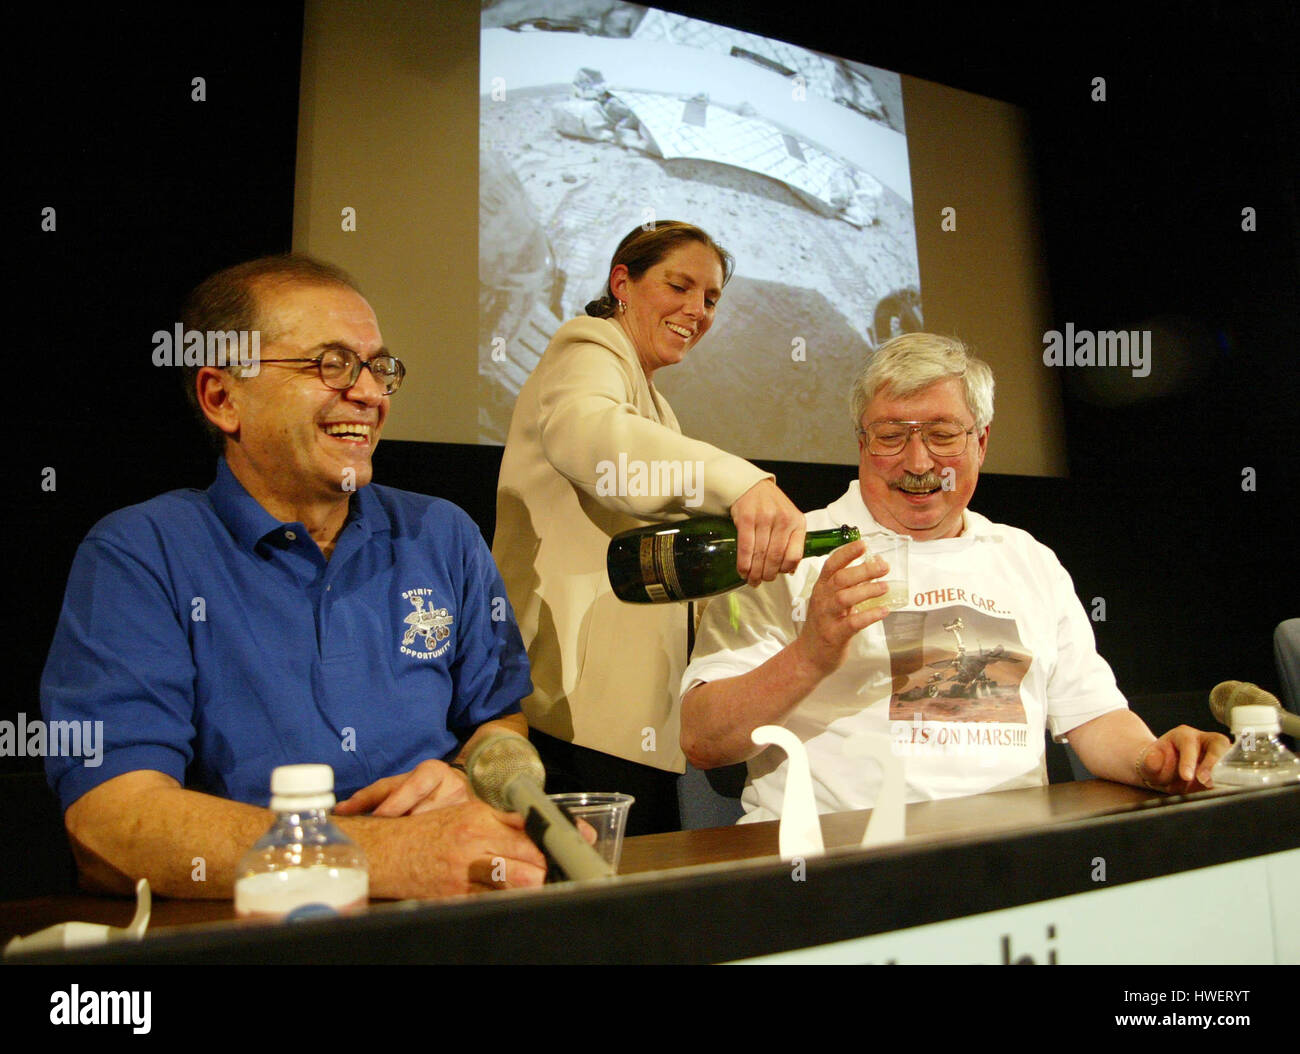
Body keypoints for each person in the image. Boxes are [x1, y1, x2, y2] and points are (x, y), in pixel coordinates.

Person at [41, 255, 547, 898]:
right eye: (330, 364)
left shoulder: (441, 534)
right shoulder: (140, 553)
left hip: (446, 916)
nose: (368, 394)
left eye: (378, 368)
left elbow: (498, 721)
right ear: (222, 397)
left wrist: (471, 780)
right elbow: (111, 823)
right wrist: (386, 854)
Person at [680, 333, 1229, 820]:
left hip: (1007, 862)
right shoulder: (791, 552)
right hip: (834, 867)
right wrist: (812, 655)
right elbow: (703, 740)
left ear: (981, 442)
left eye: (943, 434)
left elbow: (1094, 718)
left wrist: (1153, 760)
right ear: (862, 443)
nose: (919, 463)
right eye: (892, 435)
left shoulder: (1027, 558)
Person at [493, 221, 806, 834]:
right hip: (572, 714)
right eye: (679, 285)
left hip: (628, 724)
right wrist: (742, 481)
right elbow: (592, 439)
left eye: (711, 298)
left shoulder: (656, 404)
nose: (697, 309)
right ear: (622, 284)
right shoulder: (586, 347)